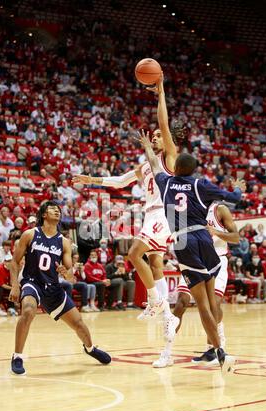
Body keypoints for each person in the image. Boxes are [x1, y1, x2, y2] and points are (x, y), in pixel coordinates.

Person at [72, 76, 185, 342]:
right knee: (155, 262)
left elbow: (164, 123)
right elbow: (121, 181)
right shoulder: (145, 165)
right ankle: (168, 315)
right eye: (154, 136)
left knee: (134, 254)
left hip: (163, 214)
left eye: (159, 136)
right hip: (151, 215)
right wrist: (93, 180)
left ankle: (155, 301)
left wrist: (161, 93)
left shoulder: (170, 156)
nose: (156, 138)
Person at [140, 130, 245, 372]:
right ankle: (220, 351)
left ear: (174, 168)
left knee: (201, 305)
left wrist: (147, 146)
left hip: (184, 241)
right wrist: (238, 189)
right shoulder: (200, 184)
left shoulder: (165, 183)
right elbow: (233, 198)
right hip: (204, 240)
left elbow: (155, 163)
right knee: (209, 304)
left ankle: (220, 352)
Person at [9, 201, 111, 375]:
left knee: (79, 324)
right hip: (32, 282)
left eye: (58, 209)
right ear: (43, 214)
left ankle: (90, 348)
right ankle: (17, 356)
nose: (57, 211)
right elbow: (14, 262)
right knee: (27, 310)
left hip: (53, 288)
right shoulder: (29, 234)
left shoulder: (64, 242)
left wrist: (66, 272)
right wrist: (15, 285)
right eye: (52, 209)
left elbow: (70, 275)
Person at [156, 202, 240, 368]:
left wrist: (215, 232)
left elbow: (236, 237)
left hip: (217, 260)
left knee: (213, 304)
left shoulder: (219, 209)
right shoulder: (187, 208)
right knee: (181, 303)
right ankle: (167, 353)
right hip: (193, 258)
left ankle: (214, 349)